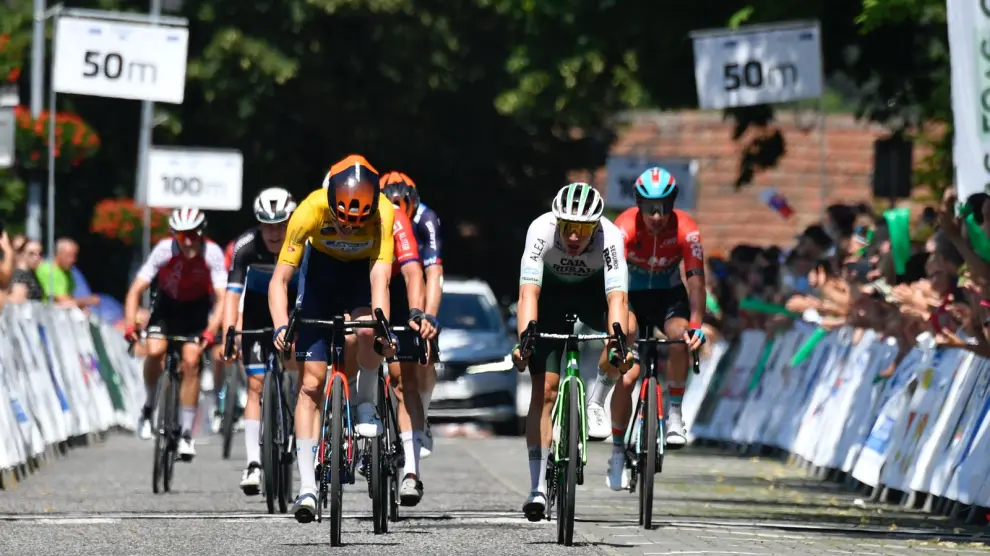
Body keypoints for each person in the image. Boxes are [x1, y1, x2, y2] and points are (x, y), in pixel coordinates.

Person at [268, 155, 398, 523]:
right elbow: (279, 281)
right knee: (311, 382)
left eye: (357, 223)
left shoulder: (383, 213)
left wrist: (382, 328)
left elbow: (380, 280)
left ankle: (364, 402)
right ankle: (307, 486)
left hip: (360, 276)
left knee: (368, 330)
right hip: (320, 281)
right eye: (342, 221)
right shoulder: (310, 208)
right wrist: (281, 326)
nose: (347, 230)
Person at [510, 182, 632, 521]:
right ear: (556, 222)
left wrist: (619, 342)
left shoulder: (610, 237)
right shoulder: (540, 229)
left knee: (628, 327)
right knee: (545, 390)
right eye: (567, 227)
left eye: (582, 229)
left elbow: (617, 299)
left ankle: (596, 401)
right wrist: (525, 341)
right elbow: (528, 295)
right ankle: (536, 488)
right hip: (549, 299)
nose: (574, 237)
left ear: (595, 226)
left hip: (593, 297)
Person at [595, 167, 707, 491]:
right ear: (639, 204)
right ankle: (617, 450)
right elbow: (610, 277)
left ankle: (674, 413)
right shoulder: (624, 226)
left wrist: (697, 324)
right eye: (649, 208)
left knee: (679, 336)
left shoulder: (687, 228)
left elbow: (696, 280)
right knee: (628, 376)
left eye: (663, 207)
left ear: (672, 203)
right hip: (630, 296)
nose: (657, 216)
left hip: (668, 297)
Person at [124, 208, 228, 461]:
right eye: (182, 236)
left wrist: (211, 331)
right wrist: (130, 326)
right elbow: (136, 289)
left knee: (191, 362)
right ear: (174, 236)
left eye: (193, 235)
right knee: (155, 350)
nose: (188, 241)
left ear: (201, 234)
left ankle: (185, 434)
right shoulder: (163, 249)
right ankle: (148, 409)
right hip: (166, 307)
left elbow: (224, 297)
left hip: (196, 310)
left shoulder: (211, 253)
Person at [222, 187, 299, 495]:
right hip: (255, 311)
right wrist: (231, 331)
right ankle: (254, 463)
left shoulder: (300, 243)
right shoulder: (246, 246)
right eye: (267, 224)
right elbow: (231, 294)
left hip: (292, 308)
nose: (274, 231)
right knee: (255, 385)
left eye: (280, 224)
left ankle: (295, 412)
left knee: (295, 366)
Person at [379, 172, 438, 505]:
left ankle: (411, 471)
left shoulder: (425, 220)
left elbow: (431, 274)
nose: (399, 215)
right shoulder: (370, 220)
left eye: (405, 208)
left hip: (407, 293)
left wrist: (427, 316)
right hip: (376, 288)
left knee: (408, 379)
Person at [36, 238, 100, 309]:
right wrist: (87, 301)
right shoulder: (48, 271)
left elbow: (69, 298)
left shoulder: (68, 272)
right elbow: (63, 301)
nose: (73, 260)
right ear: (58, 254)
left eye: (75, 256)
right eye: (69, 256)